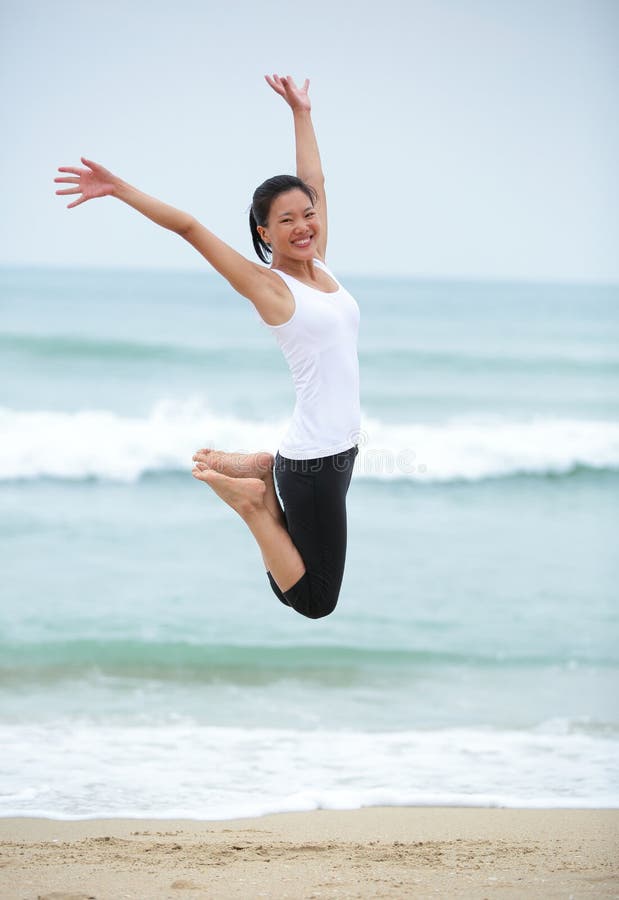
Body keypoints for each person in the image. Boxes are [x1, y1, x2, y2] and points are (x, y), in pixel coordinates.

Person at [54, 74, 361, 620]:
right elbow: (191, 228)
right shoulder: (270, 287)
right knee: (313, 601)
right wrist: (120, 189)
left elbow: (314, 180)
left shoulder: (320, 267)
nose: (304, 225)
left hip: (330, 454)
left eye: (307, 214)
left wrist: (301, 112)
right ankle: (250, 502)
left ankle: (262, 474)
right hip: (315, 461)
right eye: (286, 220)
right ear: (265, 234)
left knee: (299, 572)